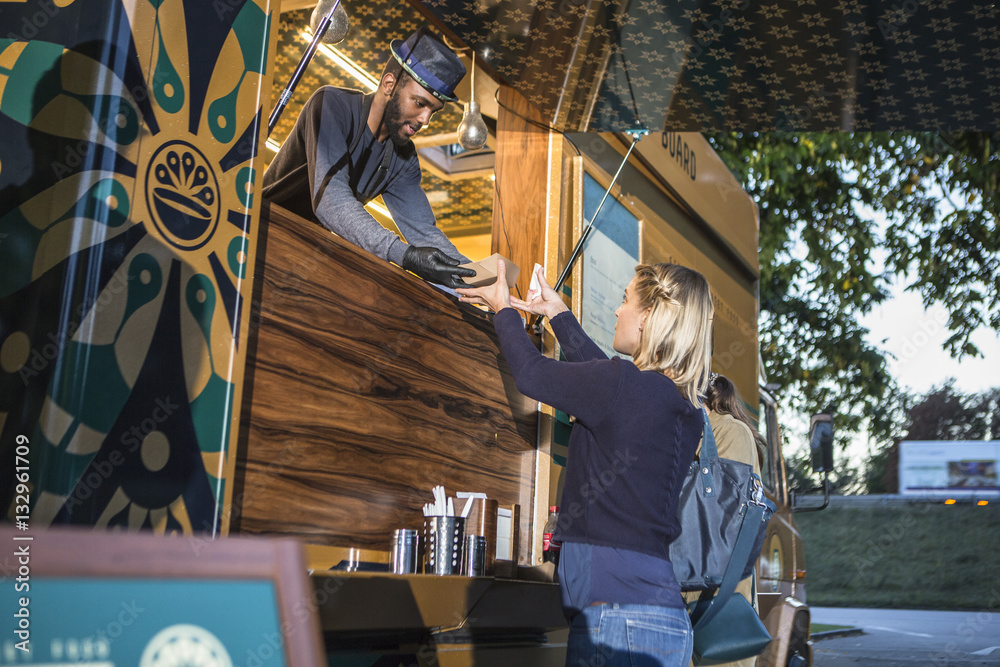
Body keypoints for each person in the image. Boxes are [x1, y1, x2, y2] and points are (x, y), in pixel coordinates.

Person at [457, 261, 715, 667]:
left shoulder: (625, 387)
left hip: (617, 621)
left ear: (648, 318)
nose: (617, 310)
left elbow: (532, 374)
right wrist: (558, 315)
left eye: (625, 300)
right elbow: (607, 390)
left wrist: (502, 307)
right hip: (662, 621)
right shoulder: (683, 405)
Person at [263, 27, 476, 288]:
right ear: (389, 85)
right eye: (420, 103)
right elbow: (332, 202)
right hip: (259, 234)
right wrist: (404, 255)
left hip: (308, 252)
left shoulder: (403, 158)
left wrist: (483, 282)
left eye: (434, 111)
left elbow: (426, 234)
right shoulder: (331, 106)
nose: (426, 120)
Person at [682, 372, 766, 667]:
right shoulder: (703, 434)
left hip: (717, 603)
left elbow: (722, 520)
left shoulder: (730, 432)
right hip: (694, 598)